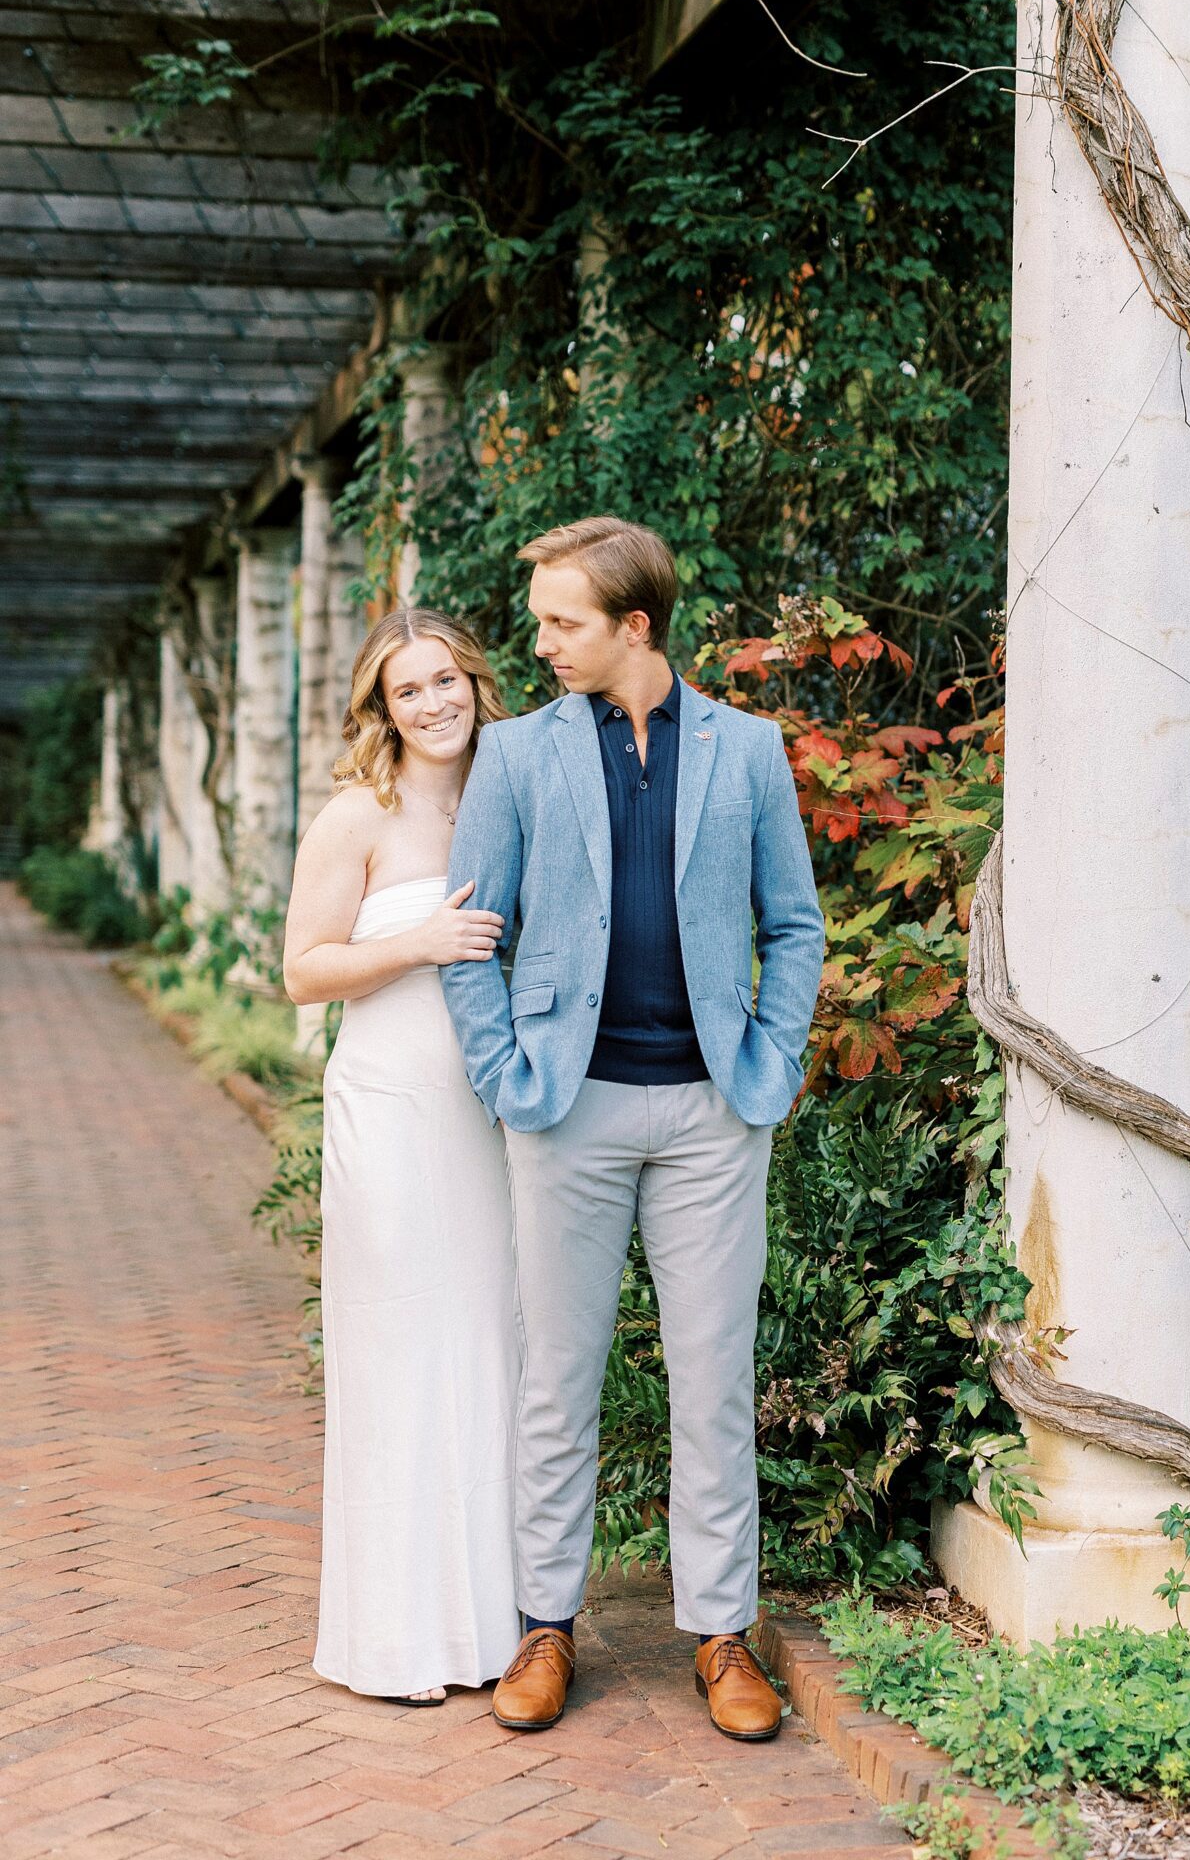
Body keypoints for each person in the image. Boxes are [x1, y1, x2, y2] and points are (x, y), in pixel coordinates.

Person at [443, 516, 824, 1741]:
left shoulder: (750, 750)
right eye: (545, 618)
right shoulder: (513, 756)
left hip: (715, 1109)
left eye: (565, 621)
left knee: (713, 1385)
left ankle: (720, 1633)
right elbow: (471, 933)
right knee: (558, 1380)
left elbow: (797, 926)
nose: (543, 641)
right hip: (567, 1108)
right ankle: (544, 1625)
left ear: (635, 626)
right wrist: (506, 1071)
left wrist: (768, 1061)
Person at [283, 607, 520, 1706]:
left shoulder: (511, 794)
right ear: (381, 707)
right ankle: (397, 1637)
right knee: (397, 1347)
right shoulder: (356, 816)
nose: (432, 704)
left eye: (445, 681)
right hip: (389, 1103)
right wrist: (417, 941)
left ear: (476, 680)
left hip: (495, 1115)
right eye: (407, 690)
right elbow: (303, 968)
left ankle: (493, 1622)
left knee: (487, 1344)